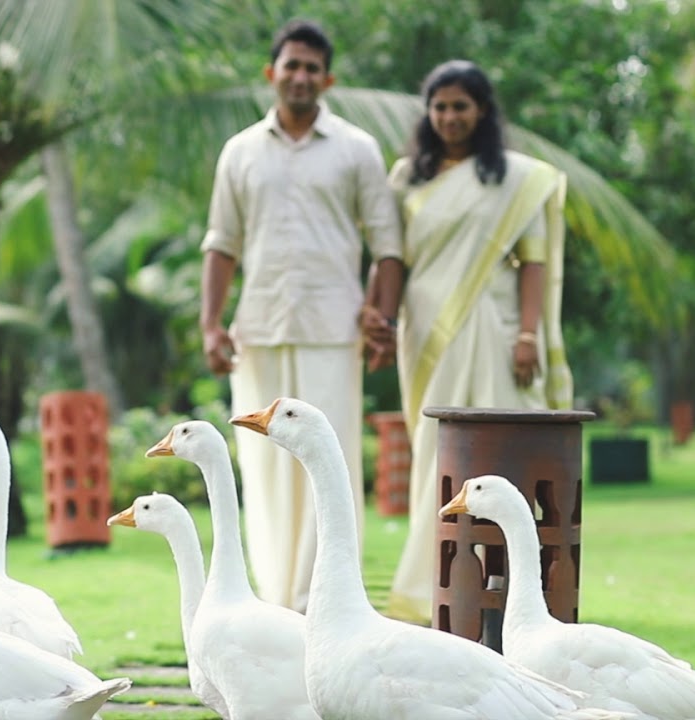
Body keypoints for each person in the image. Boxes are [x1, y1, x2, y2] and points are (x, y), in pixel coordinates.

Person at [200, 19, 404, 612]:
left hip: (333, 332)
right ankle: (274, 601)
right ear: (272, 73)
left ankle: (323, 602)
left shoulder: (356, 148)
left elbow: (387, 244)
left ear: (328, 79)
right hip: (258, 330)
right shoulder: (240, 151)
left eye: (312, 68)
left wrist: (381, 321)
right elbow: (222, 242)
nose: (301, 76)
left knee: (328, 464)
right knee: (264, 471)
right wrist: (211, 323)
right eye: (291, 65)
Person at [374, 59, 573, 624]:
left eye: (460, 106)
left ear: (481, 110)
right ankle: (432, 585)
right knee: (435, 453)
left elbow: (532, 263)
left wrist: (529, 333)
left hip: (496, 324)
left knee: (503, 451)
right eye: (439, 106)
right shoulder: (406, 177)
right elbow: (391, 260)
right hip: (427, 330)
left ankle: (512, 587)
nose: (449, 117)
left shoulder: (513, 178)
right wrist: (380, 321)